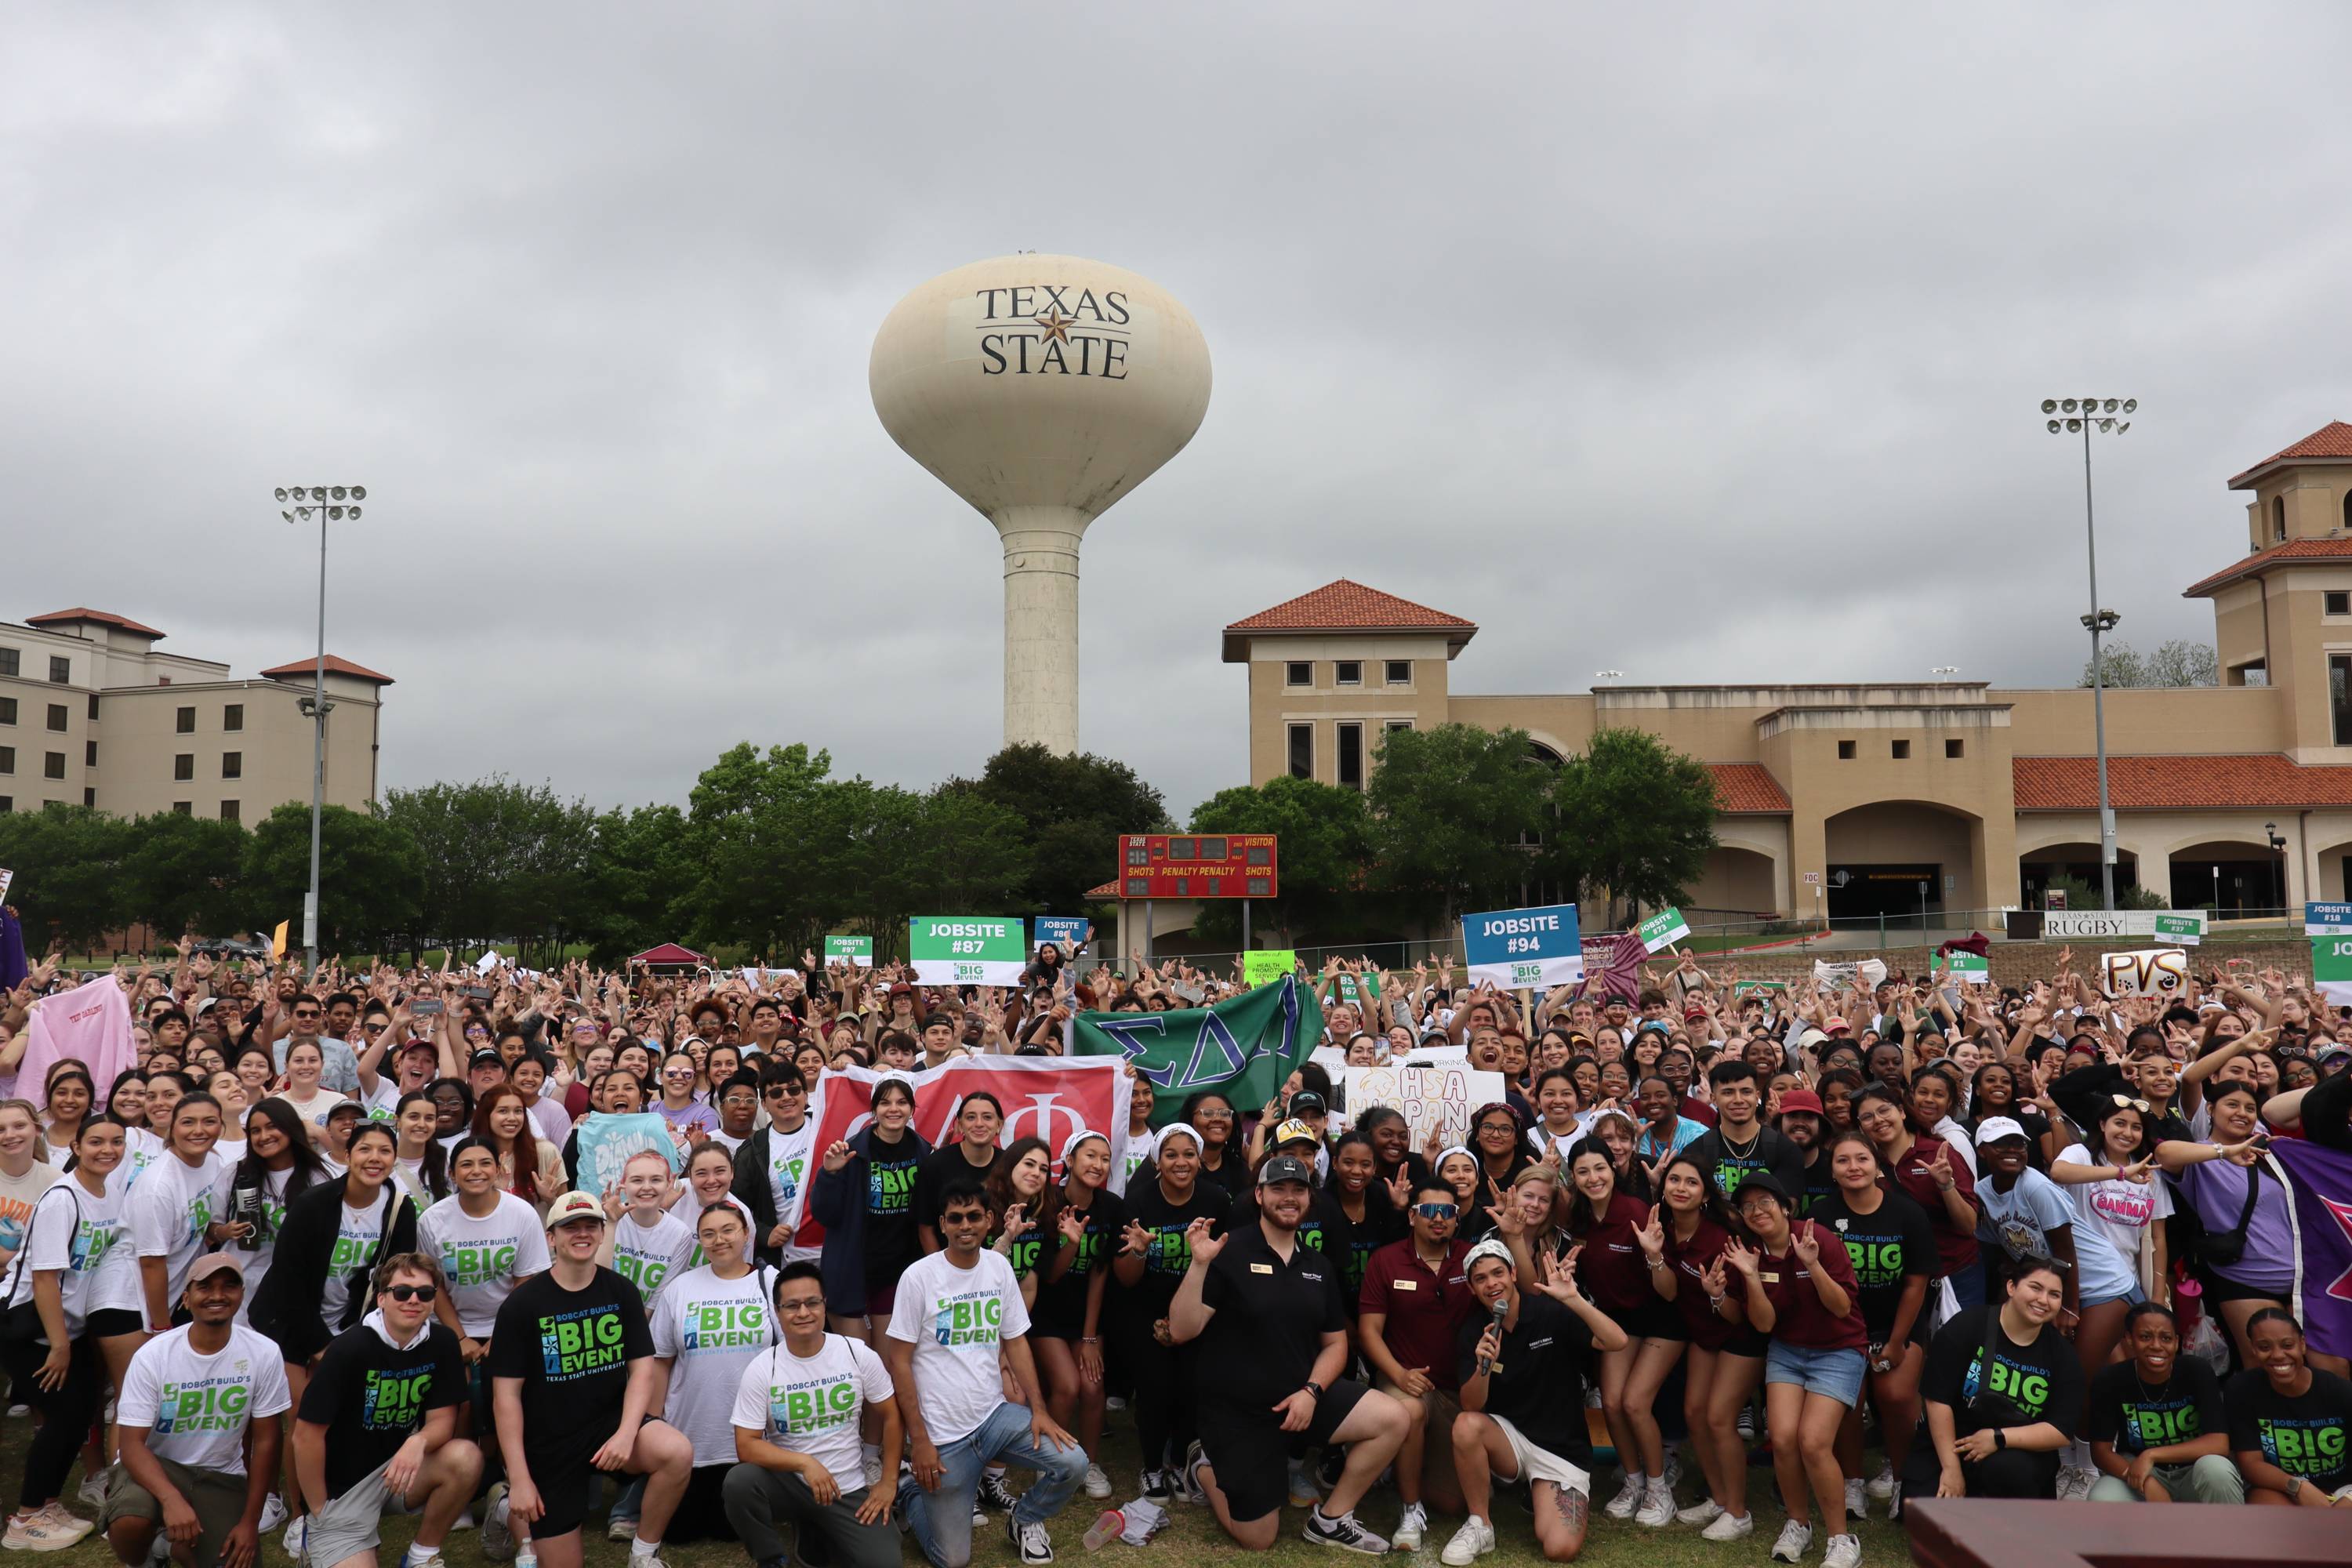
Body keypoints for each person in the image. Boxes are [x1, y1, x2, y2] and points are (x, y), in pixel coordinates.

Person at [1171, 1153, 1408, 1553]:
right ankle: (1204, 1466)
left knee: (1394, 1417)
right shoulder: (1228, 1250)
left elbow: (1336, 1343)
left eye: (1298, 1189)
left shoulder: (1318, 1265)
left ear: (1309, 1200)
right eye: (1278, 1188)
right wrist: (1197, 1266)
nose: (1289, 1197)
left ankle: (1331, 1520)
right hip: (1238, 1412)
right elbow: (1181, 1330)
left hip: (1301, 1400)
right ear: (1259, 1196)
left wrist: (1312, 1392)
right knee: (1258, 1538)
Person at [481, 1189, 694, 1568]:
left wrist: (628, 1433)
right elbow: (506, 1398)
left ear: (601, 1233)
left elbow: (642, 1368)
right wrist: (521, 1475)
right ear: (552, 1238)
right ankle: (506, 1501)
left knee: (676, 1452)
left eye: (590, 1226)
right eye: (570, 1227)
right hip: (548, 1441)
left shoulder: (621, 1291)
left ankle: (644, 1554)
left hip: (608, 1425)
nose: (582, 1234)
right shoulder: (523, 1304)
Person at [882, 1175, 1083, 1567]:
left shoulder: (997, 1266)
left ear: (989, 1220)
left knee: (1074, 1463)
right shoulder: (918, 1277)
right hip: (942, 1437)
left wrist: (1039, 1410)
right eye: (955, 1218)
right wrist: (919, 1441)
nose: (965, 1226)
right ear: (942, 1224)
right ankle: (910, 1492)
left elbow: (1016, 1341)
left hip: (995, 1419)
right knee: (953, 1559)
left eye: (973, 1216)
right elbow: (899, 1362)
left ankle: (1023, 1520)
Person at [1440, 1238, 1628, 1565]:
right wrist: (1484, 1365)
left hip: (1560, 1448)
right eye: (1480, 1279)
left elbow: (1617, 1341)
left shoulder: (1550, 1313)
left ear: (1514, 1273)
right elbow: (1471, 1407)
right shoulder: (1475, 1331)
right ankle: (1480, 1524)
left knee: (1560, 1549)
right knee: (1466, 1425)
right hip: (1510, 1439)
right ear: (1471, 1289)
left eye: (1497, 1273)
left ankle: (1537, 1490)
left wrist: (1575, 1300)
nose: (1491, 1284)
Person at [290, 1252, 482, 1568]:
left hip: (399, 1470)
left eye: (425, 1293)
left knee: (465, 1457)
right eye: (402, 1292)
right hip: (343, 1488)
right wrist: (320, 1509)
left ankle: (422, 1555)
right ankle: (316, 1534)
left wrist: (417, 1441)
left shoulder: (442, 1342)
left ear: (434, 1300)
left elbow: (443, 1420)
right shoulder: (349, 1349)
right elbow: (305, 1438)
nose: (414, 1300)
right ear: (381, 1298)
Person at [2, 1115, 140, 1551]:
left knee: (79, 1415)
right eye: (96, 1142)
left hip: (66, 1325)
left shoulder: (110, 1191)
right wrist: (60, 1346)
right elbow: (44, 1278)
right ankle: (25, 1521)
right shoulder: (63, 1198)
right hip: (29, 1328)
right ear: (76, 1147)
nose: (107, 1150)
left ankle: (46, 1504)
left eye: (117, 1142)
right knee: (61, 1419)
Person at [101, 1253, 291, 1568]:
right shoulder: (153, 1356)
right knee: (131, 1521)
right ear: (187, 1299)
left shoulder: (264, 1352)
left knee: (233, 1558)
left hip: (220, 1474)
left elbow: (268, 1441)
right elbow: (130, 1444)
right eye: (205, 1287)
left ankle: (169, 1547)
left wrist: (250, 1523)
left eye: (229, 1286)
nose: (217, 1295)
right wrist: (170, 1498)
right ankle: (143, 1560)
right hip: (155, 1465)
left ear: (242, 1295)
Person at [1726, 1173, 1868, 1568]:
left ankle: (1842, 1539)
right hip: (1787, 1350)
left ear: (1785, 1206)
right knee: (1783, 1438)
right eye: (1748, 1206)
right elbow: (1765, 1325)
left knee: (1814, 1442)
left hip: (1839, 1350)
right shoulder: (1750, 1252)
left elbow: (1842, 1308)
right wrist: (1751, 1276)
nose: (1757, 1211)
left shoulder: (1816, 1237)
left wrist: (1812, 1264)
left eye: (1765, 1202)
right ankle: (1798, 1524)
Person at [722, 1261, 902, 1568]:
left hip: (846, 1486)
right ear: (778, 1313)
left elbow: (892, 1417)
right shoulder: (764, 1367)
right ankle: (771, 1558)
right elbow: (746, 1444)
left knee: (886, 1563)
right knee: (739, 1482)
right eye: (791, 1306)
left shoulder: (856, 1352)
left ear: (824, 1305)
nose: (803, 1313)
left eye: (812, 1303)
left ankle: (814, 1528)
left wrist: (888, 1482)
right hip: (790, 1483)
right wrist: (805, 1463)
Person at [1811, 1130, 1932, 1521]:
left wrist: (1896, 1343)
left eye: (1862, 1158)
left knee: (1896, 1396)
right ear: (1832, 1171)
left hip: (1897, 1325)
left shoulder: (1907, 1212)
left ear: (1878, 1166)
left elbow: (1916, 1283)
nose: (1853, 1167)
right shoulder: (1822, 1216)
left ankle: (1903, 1480)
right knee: (1849, 1399)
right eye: (1843, 1160)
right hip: (1841, 1327)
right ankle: (1852, 1483)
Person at [1651, 1150, 1765, 1540]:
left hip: (1740, 1335)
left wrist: (1716, 1295)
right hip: (1704, 1335)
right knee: (1694, 1414)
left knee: (1718, 1417)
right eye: (1674, 1180)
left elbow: (1737, 1315)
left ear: (1705, 1194)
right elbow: (1667, 1294)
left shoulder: (1721, 1235)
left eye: (1691, 1182)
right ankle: (1719, 1498)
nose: (1680, 1188)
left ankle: (1739, 1511)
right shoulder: (1662, 1226)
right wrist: (1654, 1256)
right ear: (1663, 1187)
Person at [1111, 1123, 1228, 1501]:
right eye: (1171, 1154)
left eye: (1189, 1154)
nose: (1181, 1162)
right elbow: (1126, 1280)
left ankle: (1180, 1463)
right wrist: (1142, 1251)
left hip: (1199, 1311)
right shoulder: (1138, 1202)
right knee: (1155, 1389)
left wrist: (1194, 1319)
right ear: (1158, 1161)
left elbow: (1224, 1267)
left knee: (1191, 1387)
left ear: (1200, 1159)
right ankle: (1152, 1468)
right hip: (1146, 1313)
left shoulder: (1216, 1200)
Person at [1356, 1174, 1473, 1548]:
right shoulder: (1386, 1260)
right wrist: (1399, 1374)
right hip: (1403, 1381)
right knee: (1410, 1413)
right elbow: (1369, 1332)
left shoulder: (1473, 1259)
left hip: (1457, 1390)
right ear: (1411, 1217)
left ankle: (1398, 1464)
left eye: (1447, 1211)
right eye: (1428, 1211)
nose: (1438, 1218)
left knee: (1451, 1503)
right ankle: (1409, 1510)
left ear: (1457, 1218)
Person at [1909, 1254, 2086, 1503]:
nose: (2043, 1300)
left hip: (2016, 1452)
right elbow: (1937, 1399)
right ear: (2012, 1287)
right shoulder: (1967, 1326)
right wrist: (1951, 1469)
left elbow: (2061, 1430)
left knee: (2009, 1471)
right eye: (2035, 1287)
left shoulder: (2063, 1356)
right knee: (1922, 1512)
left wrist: (1998, 1438)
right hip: (1955, 1442)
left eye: (2054, 1294)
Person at [648, 1203, 779, 1537]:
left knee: (730, 1530)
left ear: (746, 1234)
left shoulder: (771, 1282)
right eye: (708, 1234)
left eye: (728, 1230)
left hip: (750, 1438)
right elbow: (661, 1360)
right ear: (700, 1241)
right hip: (691, 1436)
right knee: (680, 1534)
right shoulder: (680, 1288)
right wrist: (653, 1421)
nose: (719, 1240)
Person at [1031, 1129, 1123, 1501]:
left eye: (1104, 1158)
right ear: (1069, 1161)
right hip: (1045, 1312)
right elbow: (1050, 1276)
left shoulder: (1112, 1207)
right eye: (1089, 1156)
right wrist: (1073, 1242)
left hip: (1087, 1313)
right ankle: (1052, 1462)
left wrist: (1089, 1338)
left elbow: (1100, 1273)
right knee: (1067, 1386)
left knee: (1092, 1386)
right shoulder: (1046, 1203)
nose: (1098, 1164)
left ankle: (1087, 1462)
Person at [811, 1075, 929, 1348]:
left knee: (888, 1366)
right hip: (850, 1272)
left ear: (912, 1108)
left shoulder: (923, 1152)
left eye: (902, 1102)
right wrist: (829, 1174)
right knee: (860, 1364)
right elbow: (825, 1215)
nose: (894, 1109)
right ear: (874, 1109)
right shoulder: (849, 1152)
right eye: (885, 1102)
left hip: (896, 1274)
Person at [416, 1136, 552, 1374]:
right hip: (448, 1327)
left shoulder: (522, 1213)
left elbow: (526, 1281)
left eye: (485, 1163)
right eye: (466, 1164)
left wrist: (502, 1335)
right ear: (452, 1173)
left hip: (509, 1323)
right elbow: (432, 1284)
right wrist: (458, 1338)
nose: (476, 1171)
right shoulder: (432, 1219)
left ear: (498, 1170)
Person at [2084, 1301, 2241, 1504]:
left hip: (2193, 1471)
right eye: (2145, 1337)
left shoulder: (2196, 1371)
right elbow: (2101, 1452)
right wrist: (2145, 1480)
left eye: (2166, 1338)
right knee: (2102, 1497)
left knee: (2217, 1470)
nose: (2156, 1346)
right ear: (2129, 1339)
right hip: (2140, 1470)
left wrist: (2152, 1454)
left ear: (2176, 1343)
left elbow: (2219, 1443)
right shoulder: (2111, 1379)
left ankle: (2229, 1535)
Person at [2226, 1308, 2352, 1506]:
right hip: (2282, 1486)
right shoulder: (2242, 1390)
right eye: (2264, 1347)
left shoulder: (2340, 1391)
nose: (2277, 1355)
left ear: (2302, 1344)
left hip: (2343, 1488)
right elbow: (2250, 1463)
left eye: (2287, 1345)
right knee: (2266, 1506)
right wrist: (2296, 1486)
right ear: (2253, 1349)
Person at [129, 1091, 232, 1331]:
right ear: (172, 1128)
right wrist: (162, 1328)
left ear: (221, 1126)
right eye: (188, 1122)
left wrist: (222, 1232)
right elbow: (151, 1263)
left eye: (209, 1121)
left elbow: (203, 1227)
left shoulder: (213, 1163)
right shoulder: (158, 1187)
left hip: (175, 1294)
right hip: (132, 1300)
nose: (199, 1130)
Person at [731, 1065, 817, 1268]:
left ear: (805, 1096)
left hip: (835, 1251)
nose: (786, 1097)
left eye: (794, 1090)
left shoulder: (827, 1127)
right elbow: (736, 1205)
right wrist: (763, 1233)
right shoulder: (752, 1151)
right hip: (786, 1260)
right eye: (777, 1093)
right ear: (764, 1104)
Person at [1685, 1060, 1807, 1203]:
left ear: (1757, 1096)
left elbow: (1787, 1208)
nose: (1738, 1100)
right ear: (1714, 1099)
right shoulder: (1697, 1151)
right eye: (1728, 1092)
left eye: (1746, 1092)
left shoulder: (1786, 1150)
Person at [913, 1091, 1005, 1254]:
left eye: (987, 1117)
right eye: (971, 1117)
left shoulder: (1009, 1165)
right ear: (960, 1125)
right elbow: (925, 1228)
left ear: (999, 1125)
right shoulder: (935, 1165)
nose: (979, 1123)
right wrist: (942, 1273)